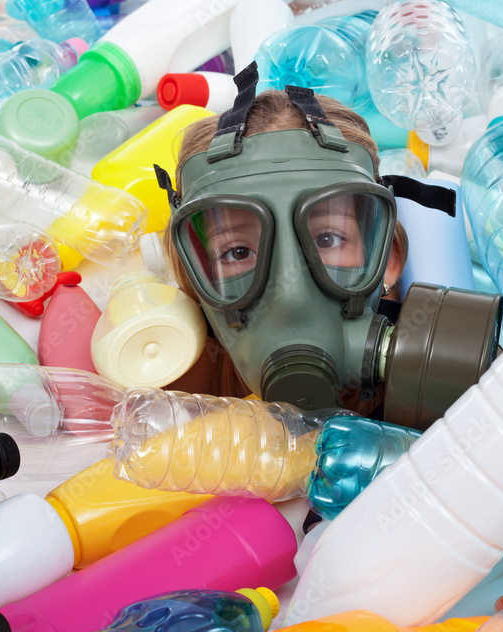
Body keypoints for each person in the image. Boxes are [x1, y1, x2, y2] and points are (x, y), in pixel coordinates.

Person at [158, 72, 409, 417]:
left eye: (327, 239)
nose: (290, 297)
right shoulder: (167, 401)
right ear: (194, 280)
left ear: (388, 261)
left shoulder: (462, 401)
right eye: (238, 252)